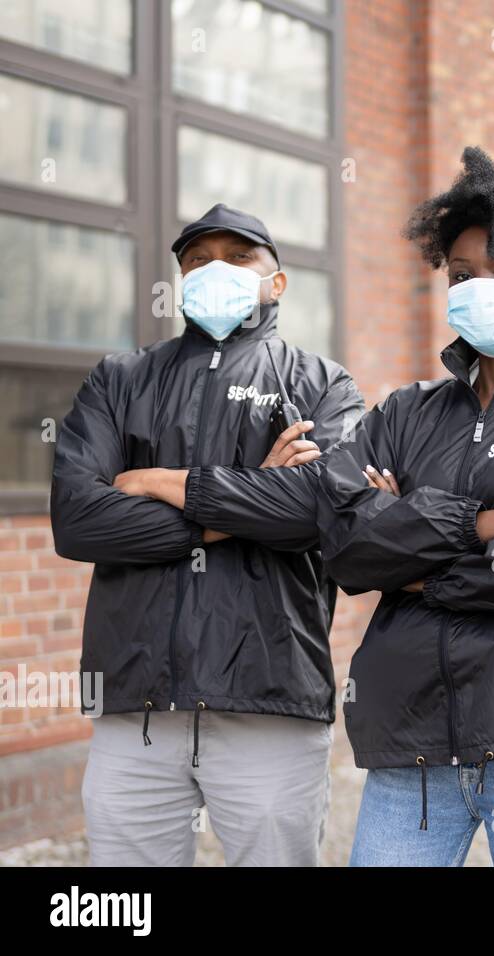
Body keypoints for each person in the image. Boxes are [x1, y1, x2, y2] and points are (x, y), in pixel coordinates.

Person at [132, 147, 494, 866]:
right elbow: (343, 547)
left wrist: (418, 570)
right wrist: (474, 522)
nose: (481, 288)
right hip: (412, 751)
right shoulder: (404, 412)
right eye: (463, 276)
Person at [52, 203, 365, 866]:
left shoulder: (322, 386)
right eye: (198, 261)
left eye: (237, 257)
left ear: (277, 282)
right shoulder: (120, 379)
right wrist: (248, 502)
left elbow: (317, 511)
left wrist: (156, 481)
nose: (214, 270)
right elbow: (78, 520)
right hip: (135, 706)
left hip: (269, 699)